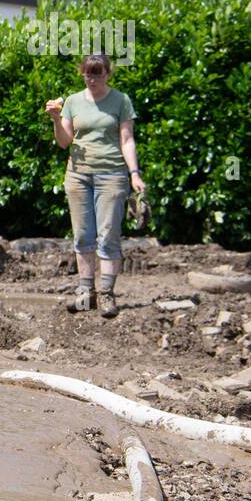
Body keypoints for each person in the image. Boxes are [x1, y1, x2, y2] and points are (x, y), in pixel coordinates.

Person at [46, 54, 146, 318]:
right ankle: (85, 293)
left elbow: (127, 140)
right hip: (78, 175)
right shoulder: (72, 102)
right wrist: (56, 119)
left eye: (97, 74)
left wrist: (134, 173)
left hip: (112, 175)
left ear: (107, 74)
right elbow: (64, 142)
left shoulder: (121, 101)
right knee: (82, 235)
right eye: (87, 74)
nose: (91, 79)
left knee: (108, 234)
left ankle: (106, 294)